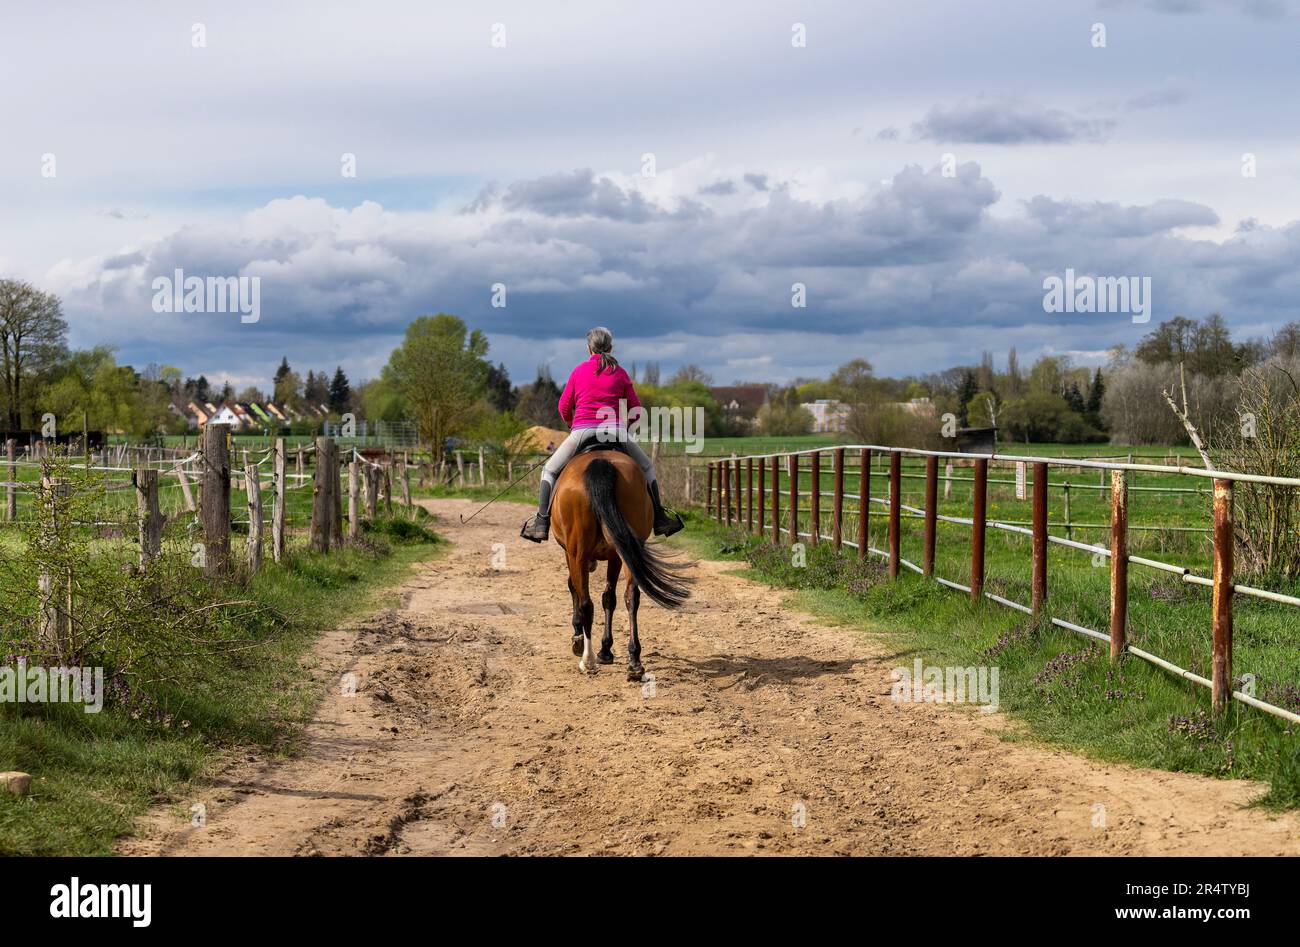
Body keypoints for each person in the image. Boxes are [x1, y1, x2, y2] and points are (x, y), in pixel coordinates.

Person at [521, 327, 683, 542]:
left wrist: (571, 423)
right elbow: (635, 409)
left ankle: (541, 523)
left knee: (549, 470)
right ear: (611, 347)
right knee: (646, 467)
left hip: (582, 431)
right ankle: (660, 518)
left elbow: (563, 406)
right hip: (615, 431)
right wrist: (624, 429)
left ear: (589, 349)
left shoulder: (578, 371)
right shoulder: (621, 372)